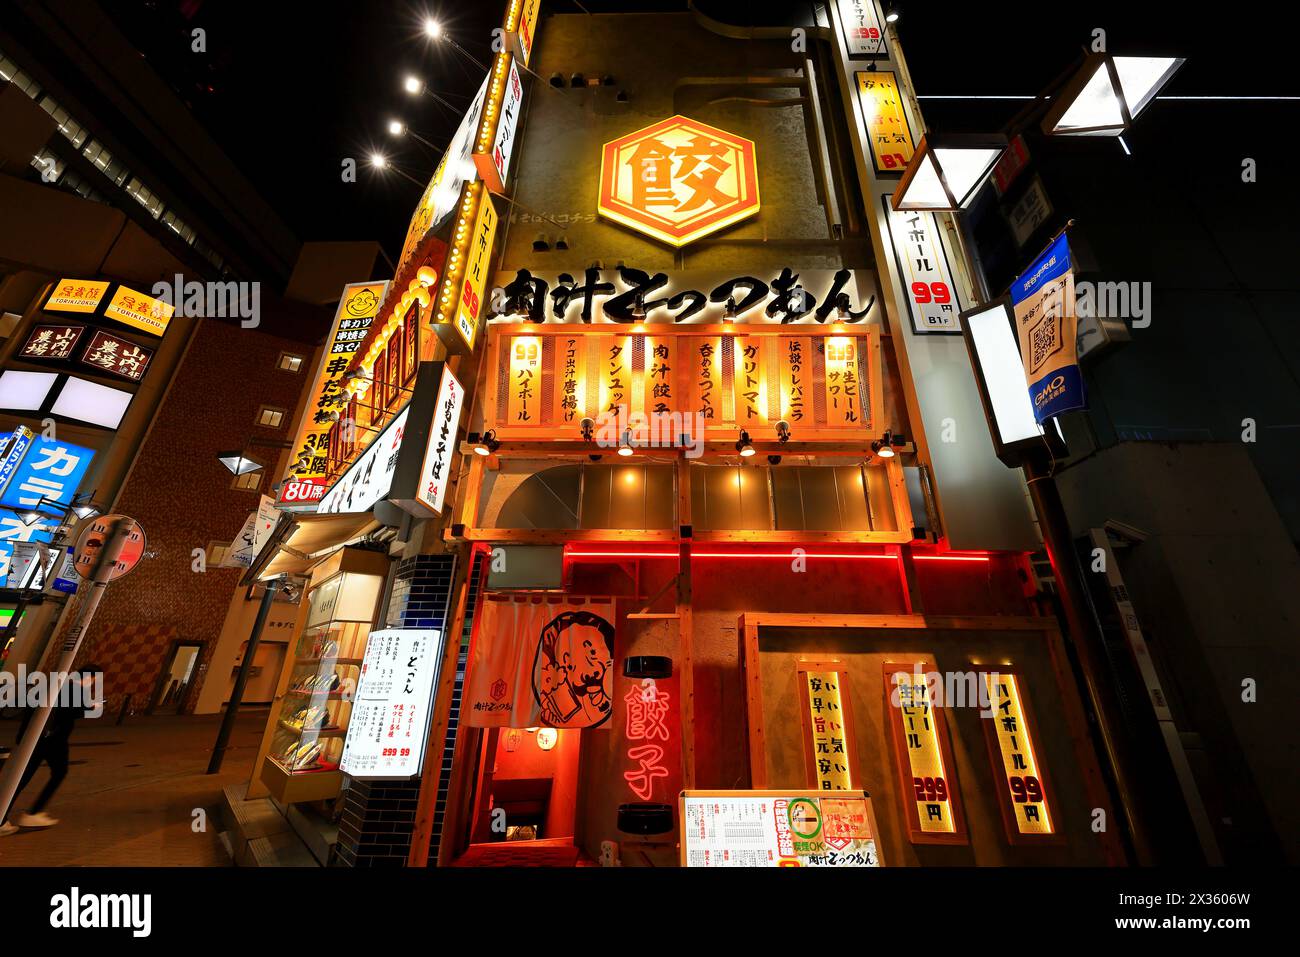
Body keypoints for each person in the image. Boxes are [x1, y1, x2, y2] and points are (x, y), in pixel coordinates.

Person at [0, 663, 103, 835]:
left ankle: (10, 816)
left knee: (22, 778)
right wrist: (92, 707)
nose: (93, 683)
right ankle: (30, 813)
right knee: (57, 772)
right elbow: (72, 711)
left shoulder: (55, 684)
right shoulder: (75, 689)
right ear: (89, 678)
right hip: (52, 740)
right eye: (94, 680)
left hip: (35, 737)